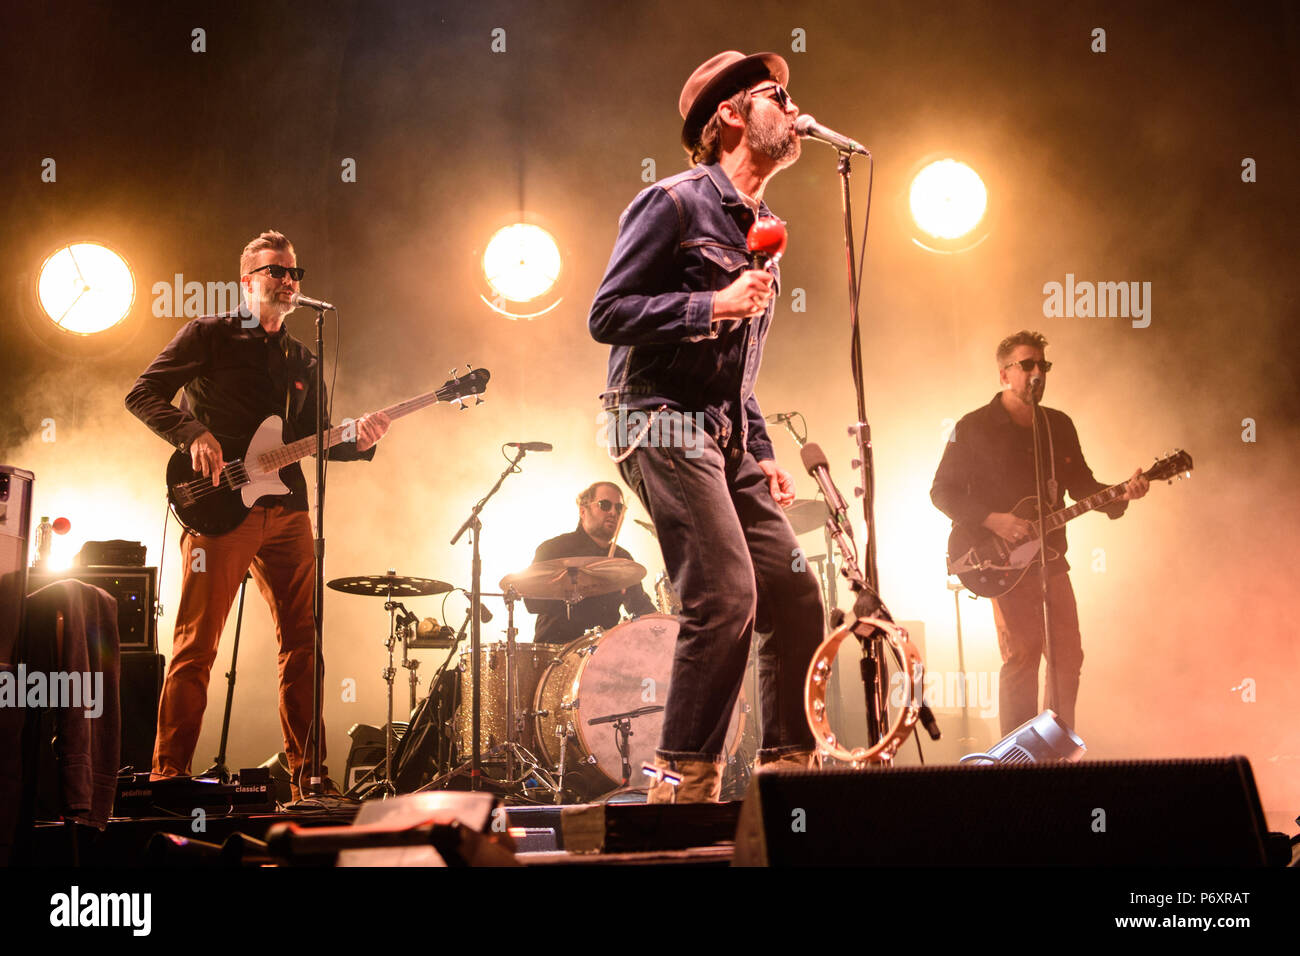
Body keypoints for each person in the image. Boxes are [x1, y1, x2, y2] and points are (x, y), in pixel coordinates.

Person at [588, 51, 825, 802]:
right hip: (656, 420)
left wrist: (760, 450)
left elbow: (738, 369)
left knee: (794, 592)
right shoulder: (674, 202)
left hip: (720, 434)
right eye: (776, 96)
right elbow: (608, 315)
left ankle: (789, 776)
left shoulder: (764, 230)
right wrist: (709, 306)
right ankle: (678, 786)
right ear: (729, 113)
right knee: (724, 594)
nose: (793, 107)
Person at [125, 230, 391, 801]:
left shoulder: (301, 355)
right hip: (218, 505)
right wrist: (192, 432)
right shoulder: (210, 334)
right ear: (246, 279)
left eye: (295, 273)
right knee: (197, 643)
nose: (289, 281)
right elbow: (143, 393)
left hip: (288, 509)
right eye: (276, 271)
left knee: (303, 641)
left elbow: (315, 437)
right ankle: (167, 777)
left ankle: (309, 778)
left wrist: (362, 439)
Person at [930, 330, 1149, 735]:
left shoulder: (1058, 425)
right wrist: (992, 519)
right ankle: (1016, 765)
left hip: (1049, 558)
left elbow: (1083, 485)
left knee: (1068, 657)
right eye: (1026, 365)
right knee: (1024, 654)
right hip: (998, 561)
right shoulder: (972, 427)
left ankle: (1055, 749)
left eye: (1042, 366)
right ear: (1003, 375)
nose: (1036, 373)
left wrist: (1123, 494)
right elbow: (941, 492)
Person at [524, 482, 656, 646]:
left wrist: (665, 623)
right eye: (605, 505)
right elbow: (531, 602)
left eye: (619, 508)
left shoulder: (622, 558)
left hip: (604, 653)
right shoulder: (554, 549)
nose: (613, 512)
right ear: (583, 511)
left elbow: (639, 606)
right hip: (558, 652)